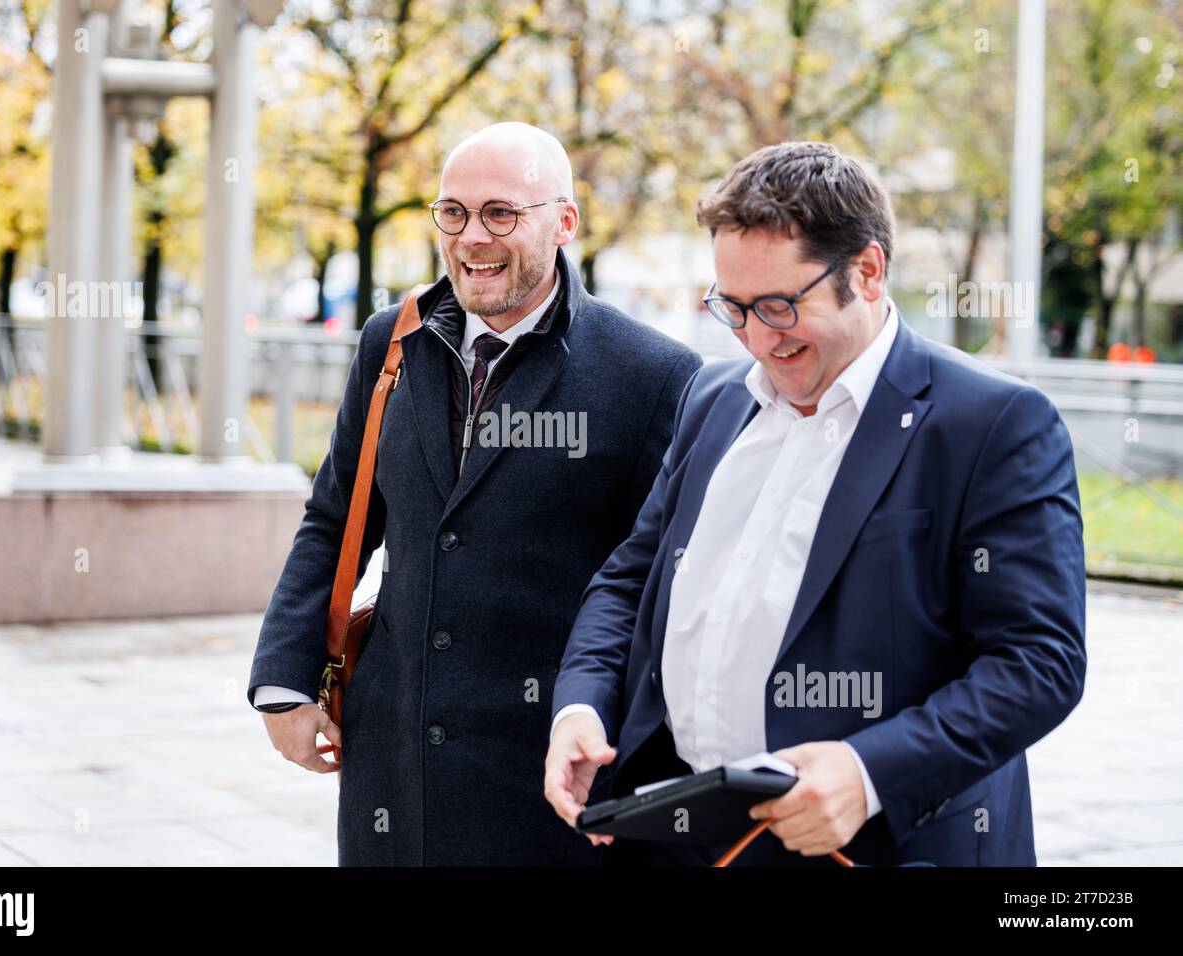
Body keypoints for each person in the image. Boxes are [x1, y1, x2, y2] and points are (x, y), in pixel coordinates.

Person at [544, 141, 1086, 866]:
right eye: (731, 307)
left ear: (866, 271)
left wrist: (868, 774)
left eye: (778, 305)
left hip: (875, 847)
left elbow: (1039, 662)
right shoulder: (712, 397)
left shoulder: (993, 424)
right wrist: (581, 706)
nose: (757, 338)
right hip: (679, 831)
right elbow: (632, 577)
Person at [248, 122, 703, 866]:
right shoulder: (389, 342)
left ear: (564, 222)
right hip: (391, 771)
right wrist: (284, 678)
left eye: (500, 213)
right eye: (452, 213)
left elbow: (656, 589)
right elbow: (335, 517)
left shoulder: (653, 376)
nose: (470, 238)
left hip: (548, 786)